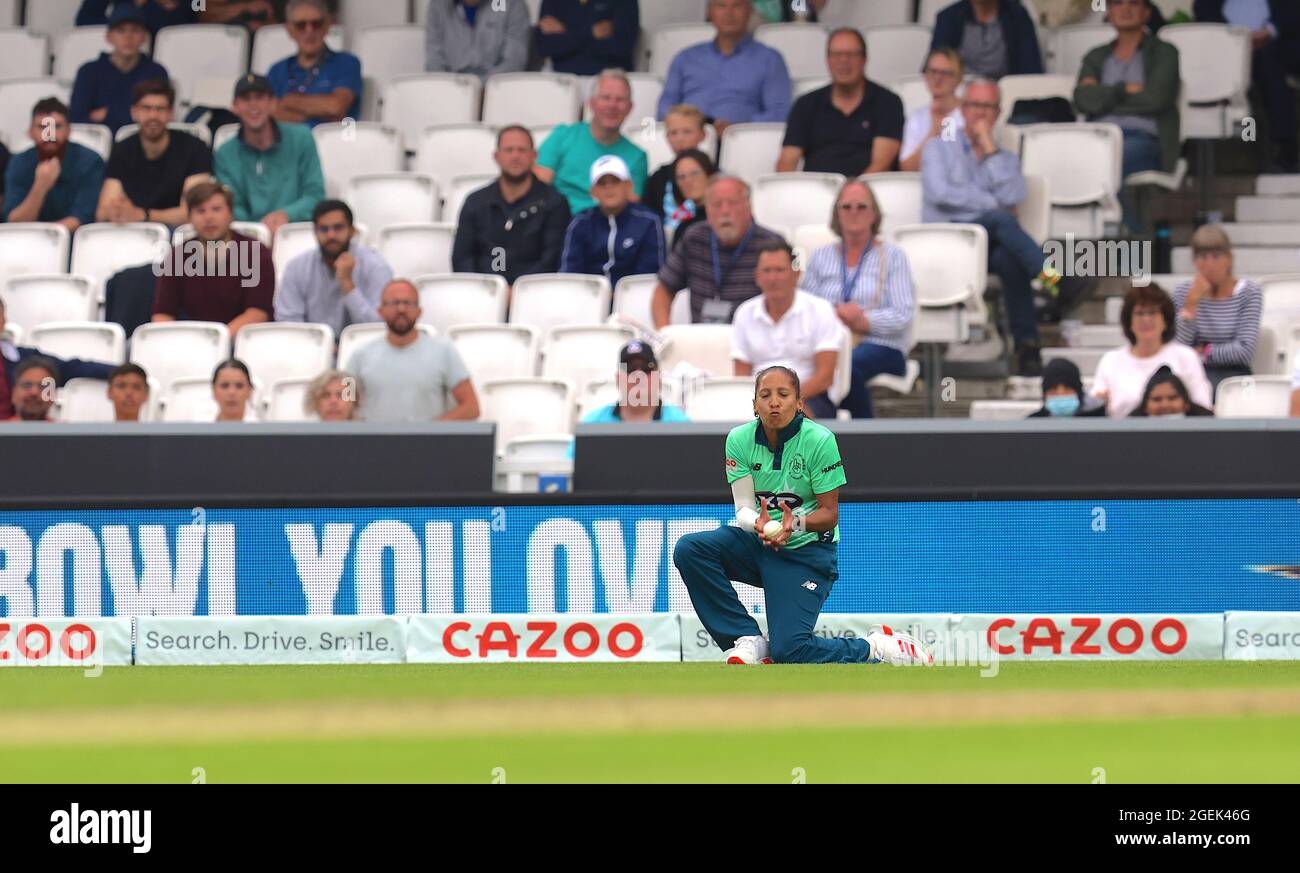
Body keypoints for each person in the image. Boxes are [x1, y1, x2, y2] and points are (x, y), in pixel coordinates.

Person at [672, 364, 932, 665]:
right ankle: (746, 637)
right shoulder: (738, 440)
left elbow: (829, 514)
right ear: (754, 405)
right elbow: (743, 507)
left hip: (807, 553)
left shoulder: (819, 441)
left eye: (783, 394)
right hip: (759, 545)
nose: (774, 401)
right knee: (691, 549)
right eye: (765, 395)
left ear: (798, 402)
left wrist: (792, 525)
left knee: (790, 651)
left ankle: (875, 647)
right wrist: (759, 525)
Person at [922, 79, 1065, 376]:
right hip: (949, 243)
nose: (980, 114)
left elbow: (1013, 196)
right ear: (963, 109)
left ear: (998, 113)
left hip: (989, 248)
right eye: (974, 105)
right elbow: (941, 194)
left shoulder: (1005, 158)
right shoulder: (938, 147)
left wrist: (989, 150)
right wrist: (992, 202)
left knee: (1010, 260)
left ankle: (1027, 346)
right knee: (1002, 218)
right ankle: (1049, 274)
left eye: (987, 107)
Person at [802, 180, 914, 419]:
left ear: (874, 214)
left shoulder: (894, 257)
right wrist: (836, 315)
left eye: (862, 206)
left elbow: (903, 315)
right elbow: (806, 308)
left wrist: (862, 321)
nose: (854, 213)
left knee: (844, 366)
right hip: (830, 343)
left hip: (881, 344)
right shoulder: (820, 257)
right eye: (847, 207)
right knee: (823, 364)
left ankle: (862, 435)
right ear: (837, 214)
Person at [1074, 0, 1180, 232]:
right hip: (1097, 139)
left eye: (1134, 2)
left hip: (1143, 139)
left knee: (1108, 165)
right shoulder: (1096, 56)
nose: (1125, 9)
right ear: (1109, 12)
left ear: (1146, 13)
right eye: (1117, 3)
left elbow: (1157, 98)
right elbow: (1082, 100)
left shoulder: (1165, 52)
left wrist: (1103, 99)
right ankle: (1124, 232)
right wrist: (1124, 91)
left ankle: (1128, 235)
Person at [651, 175, 783, 328]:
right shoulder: (694, 237)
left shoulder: (772, 244)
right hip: (702, 340)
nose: (725, 211)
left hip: (753, 341)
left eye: (733, 203)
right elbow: (663, 290)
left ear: (749, 207)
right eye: (717, 204)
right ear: (707, 210)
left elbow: (788, 297)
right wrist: (665, 332)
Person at [732, 240, 842, 419]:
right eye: (767, 271)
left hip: (809, 396)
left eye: (780, 270)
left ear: (796, 274)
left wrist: (785, 399)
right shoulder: (745, 313)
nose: (773, 278)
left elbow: (825, 376)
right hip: (757, 399)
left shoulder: (820, 310)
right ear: (757, 276)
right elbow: (741, 376)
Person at [152, 182, 275, 337]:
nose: (208, 217)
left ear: (231, 214)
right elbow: (163, 313)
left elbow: (257, 313)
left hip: (241, 340)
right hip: (191, 341)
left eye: (216, 209)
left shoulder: (255, 252)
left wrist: (217, 342)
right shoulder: (178, 255)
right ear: (190, 217)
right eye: (200, 211)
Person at [452, 126, 571, 286]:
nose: (515, 156)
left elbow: (552, 259)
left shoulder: (555, 203)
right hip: (481, 295)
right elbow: (462, 258)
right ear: (496, 156)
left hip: (533, 295)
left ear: (534, 156)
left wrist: (517, 290)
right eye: (509, 150)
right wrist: (485, 290)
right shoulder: (476, 202)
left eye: (522, 150)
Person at [347, 280, 479, 423]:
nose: (401, 309)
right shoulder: (359, 355)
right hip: (374, 443)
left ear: (419, 311)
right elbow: (345, 403)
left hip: (427, 443)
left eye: (408, 303)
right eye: (393, 303)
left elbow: (471, 407)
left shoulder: (443, 351)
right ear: (380, 311)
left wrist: (432, 429)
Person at [778, 28, 904, 177]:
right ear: (827, 59)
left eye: (851, 54)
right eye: (836, 54)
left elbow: (881, 164)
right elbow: (786, 162)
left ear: (864, 59)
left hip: (866, 195)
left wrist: (850, 194)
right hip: (815, 193)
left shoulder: (888, 102)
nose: (843, 61)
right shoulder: (805, 104)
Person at [213, 74, 326, 239]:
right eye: (246, 99)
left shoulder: (302, 138)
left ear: (273, 104)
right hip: (247, 235)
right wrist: (258, 228)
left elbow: (315, 194)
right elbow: (230, 204)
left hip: (295, 232)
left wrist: (286, 214)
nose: (253, 105)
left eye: (259, 98)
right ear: (234, 106)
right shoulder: (225, 152)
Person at [656, 0, 792, 134]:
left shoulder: (770, 59)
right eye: (721, 5)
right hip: (687, 143)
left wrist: (736, 128)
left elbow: (779, 112)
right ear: (709, 12)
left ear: (750, 11)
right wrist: (693, 125)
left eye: (737, 5)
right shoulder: (686, 58)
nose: (729, 13)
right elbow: (664, 108)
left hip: (742, 142)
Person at [1195, 0, 1300, 173]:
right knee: (1243, 94)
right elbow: (1204, 13)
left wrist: (1269, 31)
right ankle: (1248, 145)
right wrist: (1233, 39)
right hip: (1226, 51)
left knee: (1270, 72)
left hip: (1275, 49)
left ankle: (1284, 148)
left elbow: (1293, 11)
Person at [97, 80, 213, 227]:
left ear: (171, 113)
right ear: (134, 112)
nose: (153, 116)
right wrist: (118, 212)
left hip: (178, 233)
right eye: (146, 108)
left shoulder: (194, 148)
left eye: (160, 109)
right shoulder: (122, 149)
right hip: (133, 231)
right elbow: (103, 212)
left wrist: (143, 215)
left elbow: (196, 211)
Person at [536, 70, 649, 215]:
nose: (612, 105)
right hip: (558, 222)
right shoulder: (562, 136)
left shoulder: (637, 157)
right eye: (606, 98)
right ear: (591, 103)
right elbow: (537, 189)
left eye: (620, 99)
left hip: (605, 228)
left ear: (629, 108)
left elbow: (629, 208)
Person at [1091, 283, 1213, 417]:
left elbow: (1202, 406)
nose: (1146, 319)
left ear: (1165, 319)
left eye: (1153, 312)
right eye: (1139, 313)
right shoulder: (1111, 360)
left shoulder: (1185, 356)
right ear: (1129, 321)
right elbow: (1097, 405)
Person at [276, 199, 391, 335]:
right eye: (324, 229)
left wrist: (347, 284)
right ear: (315, 232)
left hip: (363, 350)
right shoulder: (297, 268)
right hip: (312, 350)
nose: (331, 235)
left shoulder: (375, 266)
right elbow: (289, 323)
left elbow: (378, 328)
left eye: (338, 228)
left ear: (352, 231)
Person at [1170, 225, 1263, 392]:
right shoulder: (1184, 292)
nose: (1209, 264)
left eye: (1216, 256)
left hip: (1235, 374)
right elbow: (1180, 347)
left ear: (1229, 259)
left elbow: (1244, 350)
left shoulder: (1249, 293)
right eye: (1202, 257)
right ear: (1194, 261)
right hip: (1192, 373)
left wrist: (1204, 352)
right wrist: (1190, 307)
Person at [569, 340, 690, 458]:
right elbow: (569, 470)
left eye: (646, 368)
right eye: (629, 368)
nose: (638, 376)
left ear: (659, 377)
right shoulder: (592, 425)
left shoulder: (681, 426)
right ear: (617, 379)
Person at [1, 296, 115, 421]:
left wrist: (123, 372)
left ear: (4, 322)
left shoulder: (24, 358)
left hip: (15, 434)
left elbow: (71, 369)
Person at [559, 156, 665, 290]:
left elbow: (650, 274)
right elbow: (570, 271)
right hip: (588, 301)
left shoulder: (649, 221)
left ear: (629, 186)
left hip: (632, 301)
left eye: (615, 181)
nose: (609, 187)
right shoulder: (580, 222)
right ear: (593, 191)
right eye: (602, 183)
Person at [3, 98, 104, 232]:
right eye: (42, 127)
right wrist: (40, 187)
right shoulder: (19, 163)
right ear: (30, 132)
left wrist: (46, 237)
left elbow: (83, 218)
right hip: (27, 242)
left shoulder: (90, 162)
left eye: (56, 126)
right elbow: (14, 222)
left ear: (69, 130)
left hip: (76, 243)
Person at [69, 5, 170, 134]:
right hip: (97, 142)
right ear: (109, 37)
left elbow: (158, 117)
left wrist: (107, 114)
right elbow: (77, 119)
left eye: (135, 30)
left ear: (144, 36)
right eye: (121, 31)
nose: (128, 37)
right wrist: (135, 114)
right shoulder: (88, 72)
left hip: (143, 142)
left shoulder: (156, 72)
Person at [267, 0, 362, 129]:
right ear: (289, 30)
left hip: (334, 144)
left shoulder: (347, 62)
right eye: (301, 25)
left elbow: (335, 107)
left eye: (316, 24)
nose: (309, 30)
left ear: (327, 25)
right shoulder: (277, 70)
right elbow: (270, 113)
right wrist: (319, 115)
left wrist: (288, 101)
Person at [930, 0, 1045, 79]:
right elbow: (935, 68)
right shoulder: (948, 17)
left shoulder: (1017, 16)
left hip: (1007, 96)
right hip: (959, 94)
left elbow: (1031, 71)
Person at [423, 0, 530, 78]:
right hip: (450, 92)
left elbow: (513, 62)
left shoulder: (511, 4)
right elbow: (434, 60)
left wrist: (480, 87)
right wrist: (451, 88)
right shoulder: (437, 5)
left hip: (497, 93)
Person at [642, 104, 708, 229]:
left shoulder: (714, 175)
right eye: (673, 133)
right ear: (667, 137)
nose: (680, 138)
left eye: (687, 132)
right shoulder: (658, 178)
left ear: (703, 135)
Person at [900, 48, 965, 172]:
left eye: (945, 73)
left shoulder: (971, 114)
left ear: (958, 79)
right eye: (933, 71)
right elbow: (907, 168)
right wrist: (933, 132)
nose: (938, 78)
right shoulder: (916, 118)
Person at [534, 0, 640, 76]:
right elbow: (545, 47)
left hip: (608, 77)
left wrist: (566, 32)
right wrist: (591, 33)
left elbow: (620, 48)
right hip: (560, 76)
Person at [666, 148, 715, 247]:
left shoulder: (730, 216)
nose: (688, 181)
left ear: (709, 175)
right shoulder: (683, 229)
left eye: (695, 173)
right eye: (681, 177)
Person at [1026, 358, 1106, 417]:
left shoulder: (1099, 420)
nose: (1061, 396)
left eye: (1067, 390)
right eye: (1054, 390)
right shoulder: (1030, 426)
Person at [1129, 365, 1214, 417]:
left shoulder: (1210, 427)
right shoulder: (1128, 430)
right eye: (1157, 399)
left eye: (1172, 398)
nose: (1165, 405)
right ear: (1145, 407)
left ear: (1186, 403)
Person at [77, 0, 196, 34]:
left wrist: (176, 6)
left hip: (177, 50)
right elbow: (85, 20)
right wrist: (123, 23)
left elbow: (202, 9)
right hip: (124, 53)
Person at [4, 358, 60, 423]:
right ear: (13, 393)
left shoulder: (65, 432)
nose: (34, 392)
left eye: (43, 387)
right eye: (26, 385)